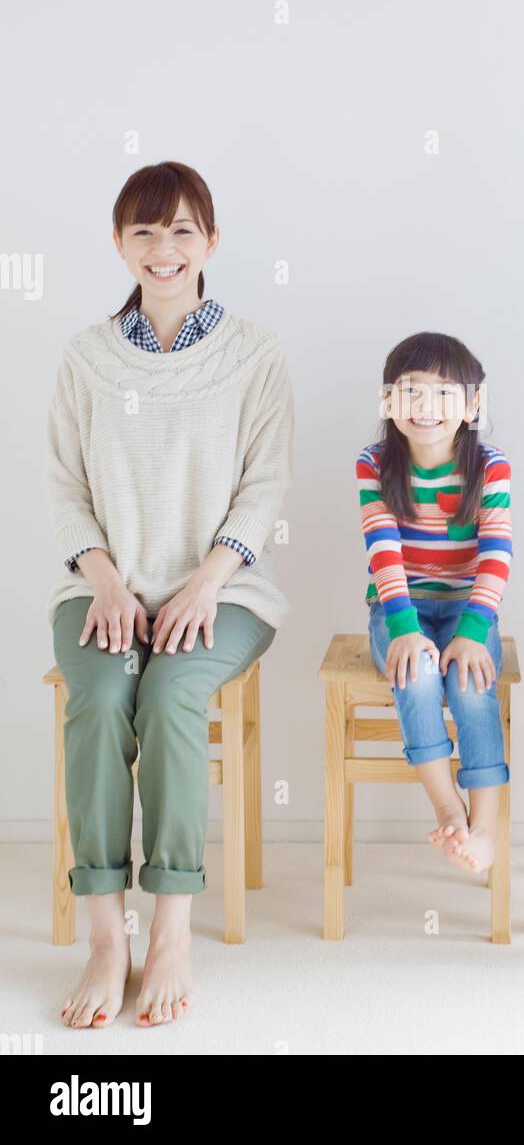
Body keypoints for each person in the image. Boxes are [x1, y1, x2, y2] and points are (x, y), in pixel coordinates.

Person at [47, 161, 293, 1028]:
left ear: (211, 242)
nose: (164, 248)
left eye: (182, 229)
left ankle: (172, 932)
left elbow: (264, 487)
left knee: (170, 693)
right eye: (144, 231)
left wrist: (203, 586)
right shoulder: (86, 358)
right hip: (100, 588)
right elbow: (64, 488)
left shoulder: (254, 355)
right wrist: (107, 581)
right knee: (102, 696)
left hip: (226, 591)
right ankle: (104, 938)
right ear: (120, 244)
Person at [357, 332, 512, 873]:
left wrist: (473, 632)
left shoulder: (489, 466)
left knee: (470, 684)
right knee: (418, 675)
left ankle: (485, 828)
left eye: (445, 392)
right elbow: (383, 549)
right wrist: (403, 629)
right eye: (411, 390)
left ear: (473, 405)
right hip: (401, 608)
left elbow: (496, 553)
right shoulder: (375, 463)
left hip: (469, 610)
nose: (426, 405)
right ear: (388, 401)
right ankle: (449, 809)